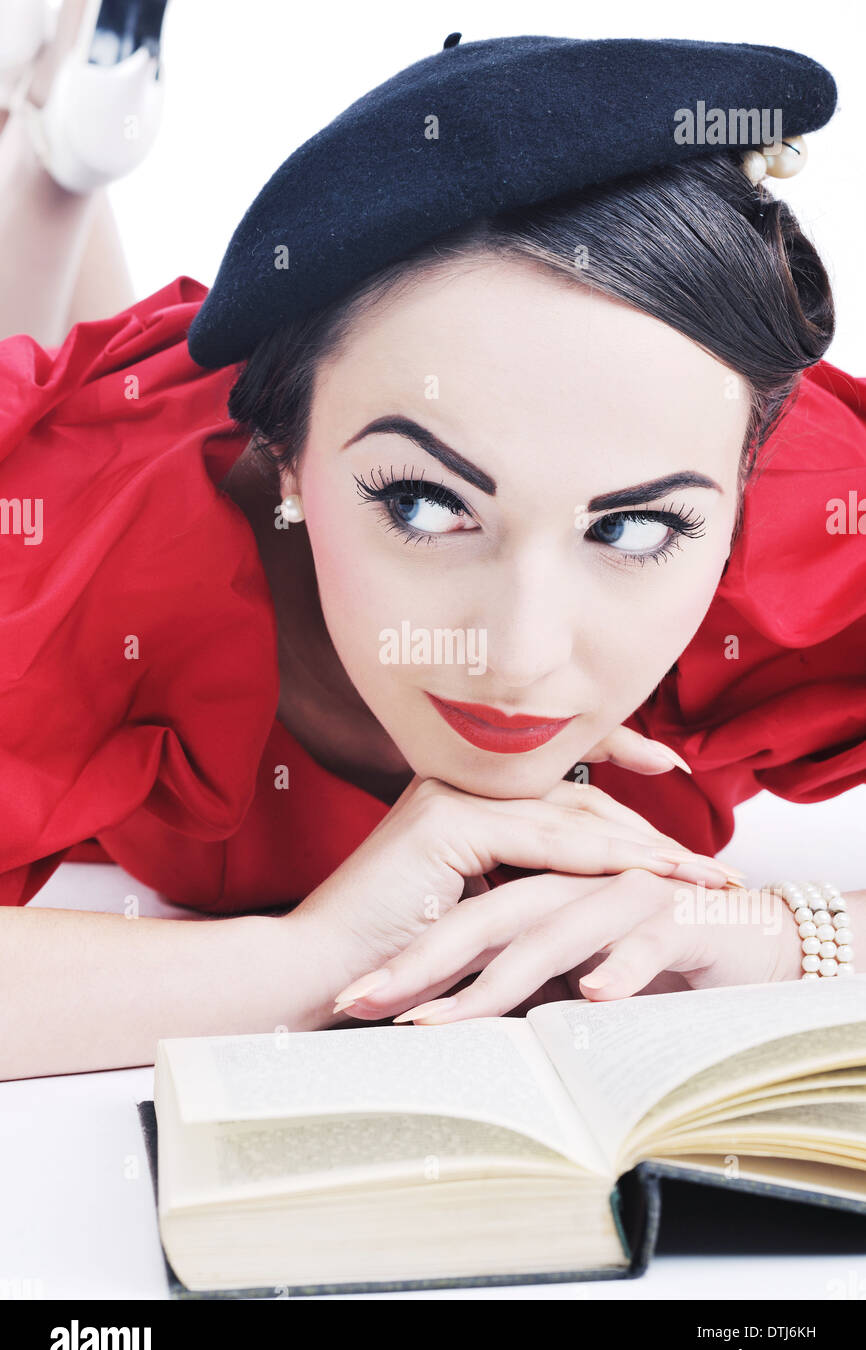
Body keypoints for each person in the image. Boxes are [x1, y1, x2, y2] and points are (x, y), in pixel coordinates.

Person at [0, 20, 863, 1080]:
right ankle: (56, 170)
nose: (518, 656)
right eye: (421, 503)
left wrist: (784, 932)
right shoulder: (95, 559)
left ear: (742, 485)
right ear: (282, 455)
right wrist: (306, 956)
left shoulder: (818, 513)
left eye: (634, 530)